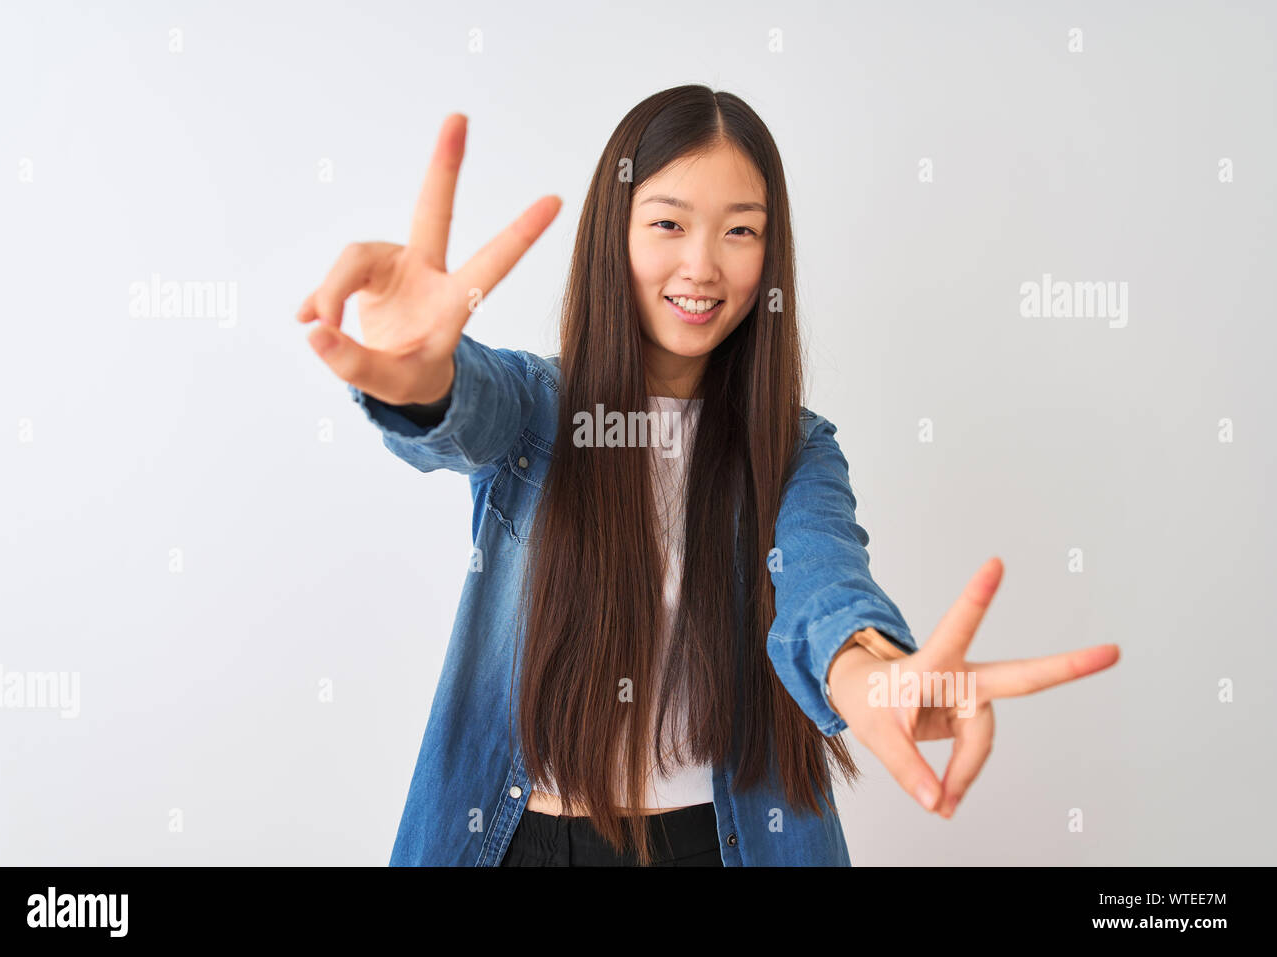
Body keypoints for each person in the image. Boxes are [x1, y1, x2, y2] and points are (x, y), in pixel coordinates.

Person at [296, 86, 1120, 866]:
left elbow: (823, 573)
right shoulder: (536, 408)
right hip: (520, 840)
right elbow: (463, 411)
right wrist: (415, 378)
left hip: (722, 843)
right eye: (668, 224)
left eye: (739, 231)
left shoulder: (795, 445)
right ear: (614, 233)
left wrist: (867, 671)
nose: (702, 266)